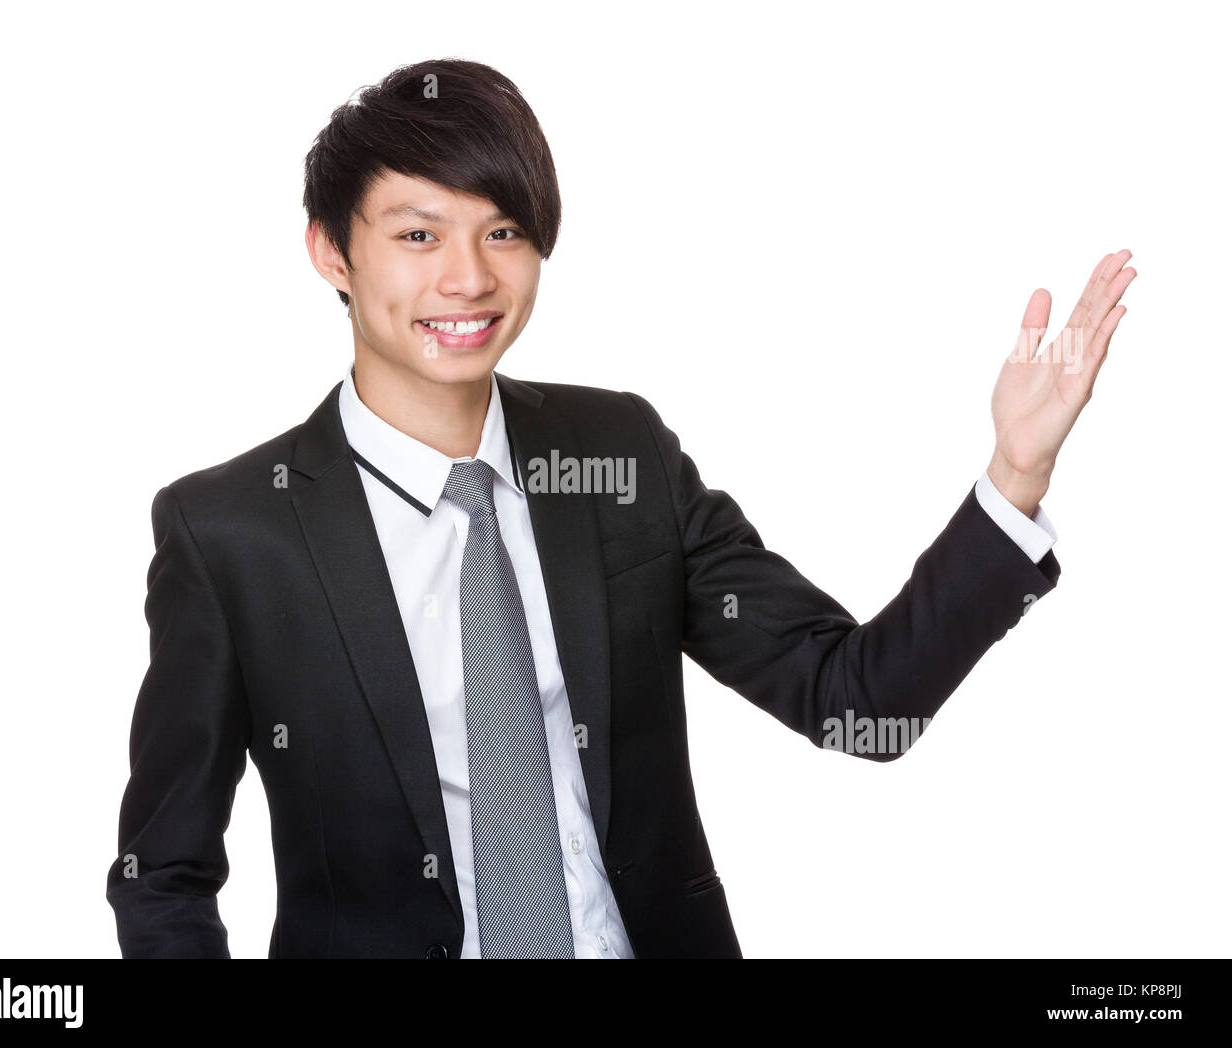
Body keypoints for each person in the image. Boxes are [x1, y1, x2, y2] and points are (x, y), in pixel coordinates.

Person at [106, 58, 1136, 959]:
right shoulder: (231, 532)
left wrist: (1012, 477)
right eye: (418, 233)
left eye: (502, 230)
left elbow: (856, 700)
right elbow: (165, 873)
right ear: (332, 252)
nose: (467, 278)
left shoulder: (619, 459)